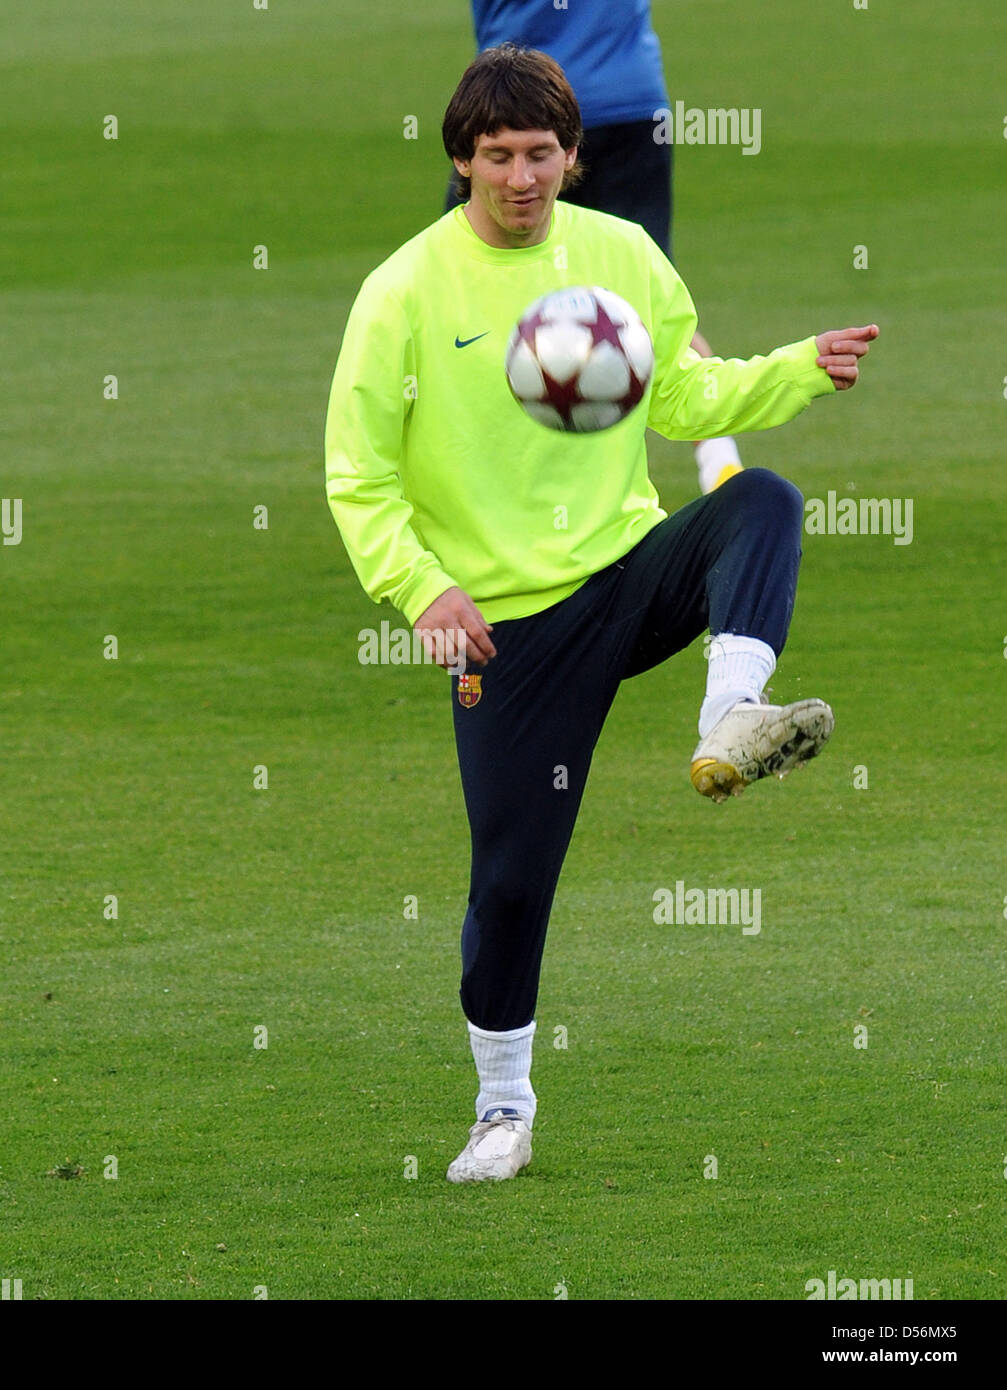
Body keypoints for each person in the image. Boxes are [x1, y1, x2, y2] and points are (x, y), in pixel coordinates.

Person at [325, 45, 877, 1183]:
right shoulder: (404, 292)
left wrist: (798, 370)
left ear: (574, 159)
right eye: (496, 158)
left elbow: (681, 392)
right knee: (513, 881)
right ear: (462, 162)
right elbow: (358, 475)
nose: (520, 177)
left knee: (758, 500)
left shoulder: (620, 251)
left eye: (540, 155)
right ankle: (501, 1109)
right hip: (507, 625)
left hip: (626, 573)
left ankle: (732, 712)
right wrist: (421, 587)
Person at [448, 0, 744, 495]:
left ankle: (481, 473)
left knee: (461, 289)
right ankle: (720, 461)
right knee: (644, 306)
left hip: (511, 114)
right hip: (625, 100)